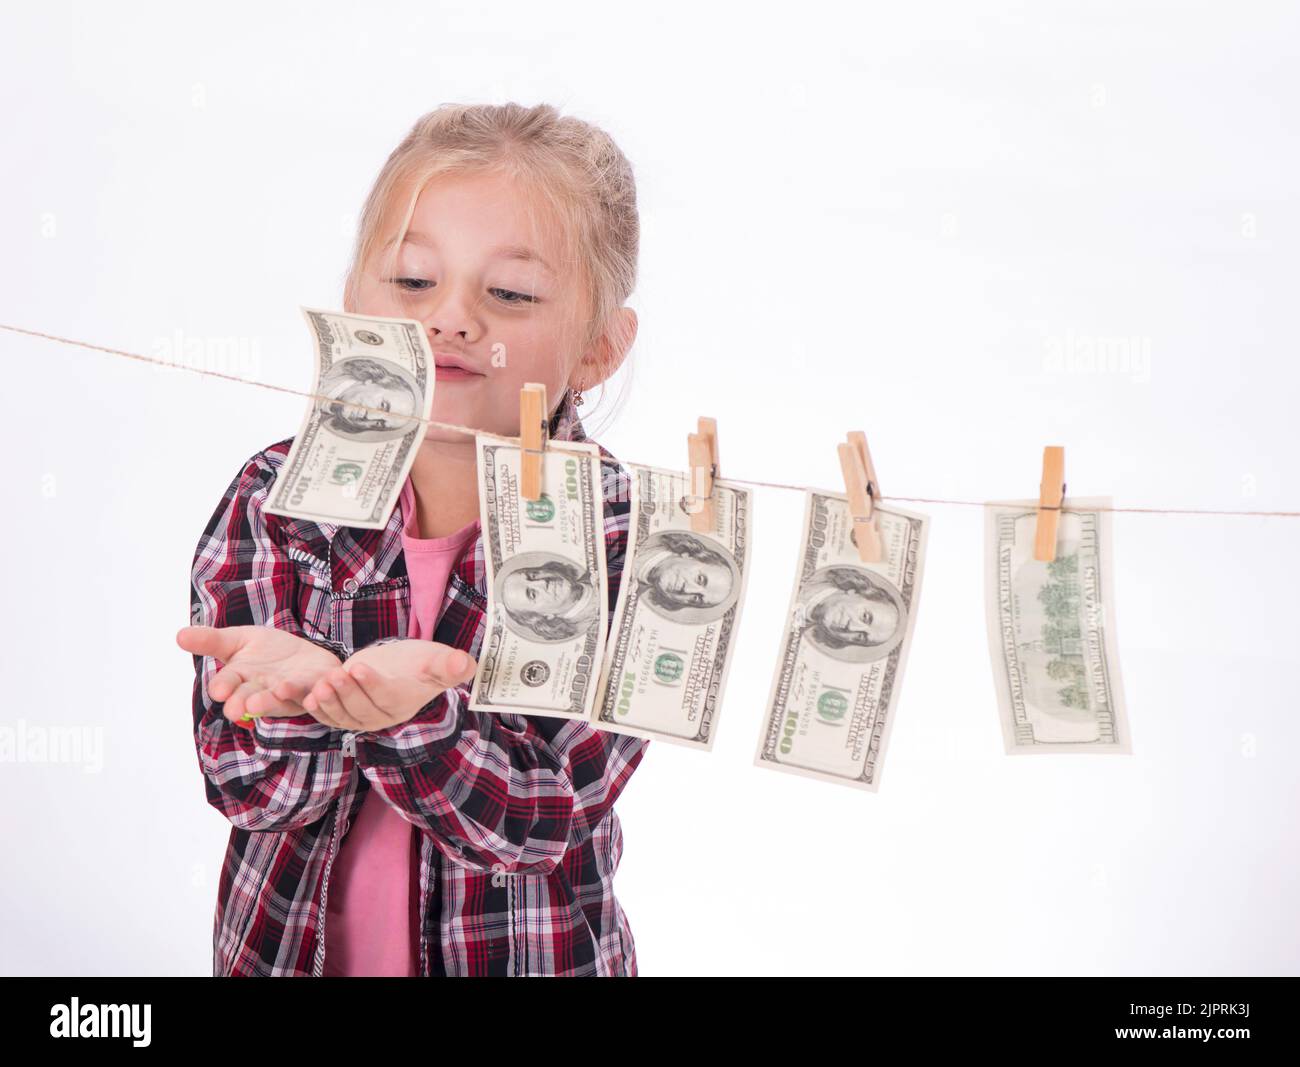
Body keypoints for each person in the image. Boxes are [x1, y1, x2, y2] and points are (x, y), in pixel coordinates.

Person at [175, 102, 649, 977]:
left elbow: (540, 819)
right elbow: (246, 787)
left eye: (509, 293)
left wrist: (416, 718)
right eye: (412, 280)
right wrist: (298, 699)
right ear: (356, 300)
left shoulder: (621, 535)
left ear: (598, 348)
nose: (452, 319)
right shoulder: (275, 499)